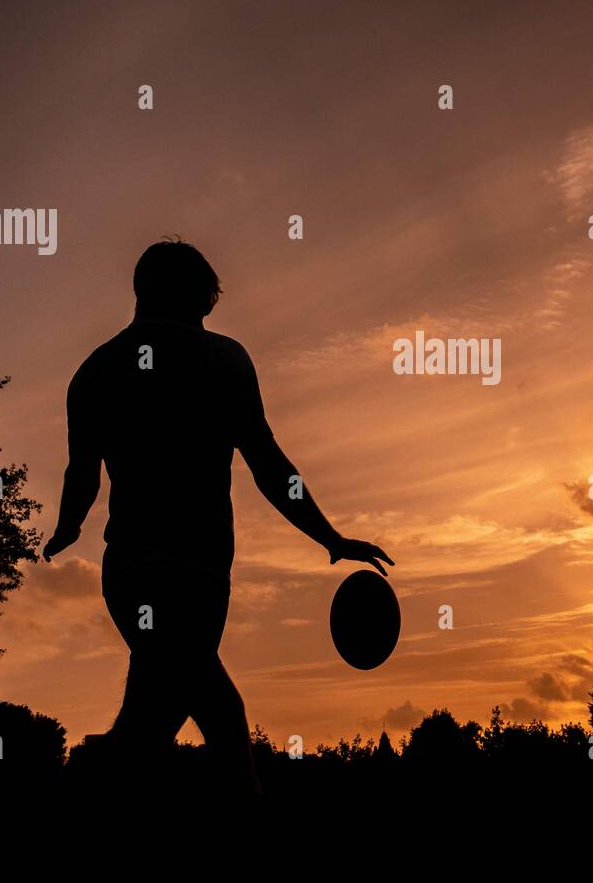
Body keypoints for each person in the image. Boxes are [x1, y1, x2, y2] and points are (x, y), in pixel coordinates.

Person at [42, 239, 393, 793]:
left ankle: (83, 792)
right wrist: (328, 536)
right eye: (208, 299)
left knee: (156, 716)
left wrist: (68, 527)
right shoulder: (223, 359)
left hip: (131, 574)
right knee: (217, 715)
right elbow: (270, 466)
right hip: (195, 576)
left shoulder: (95, 370)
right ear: (197, 296)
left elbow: (81, 475)